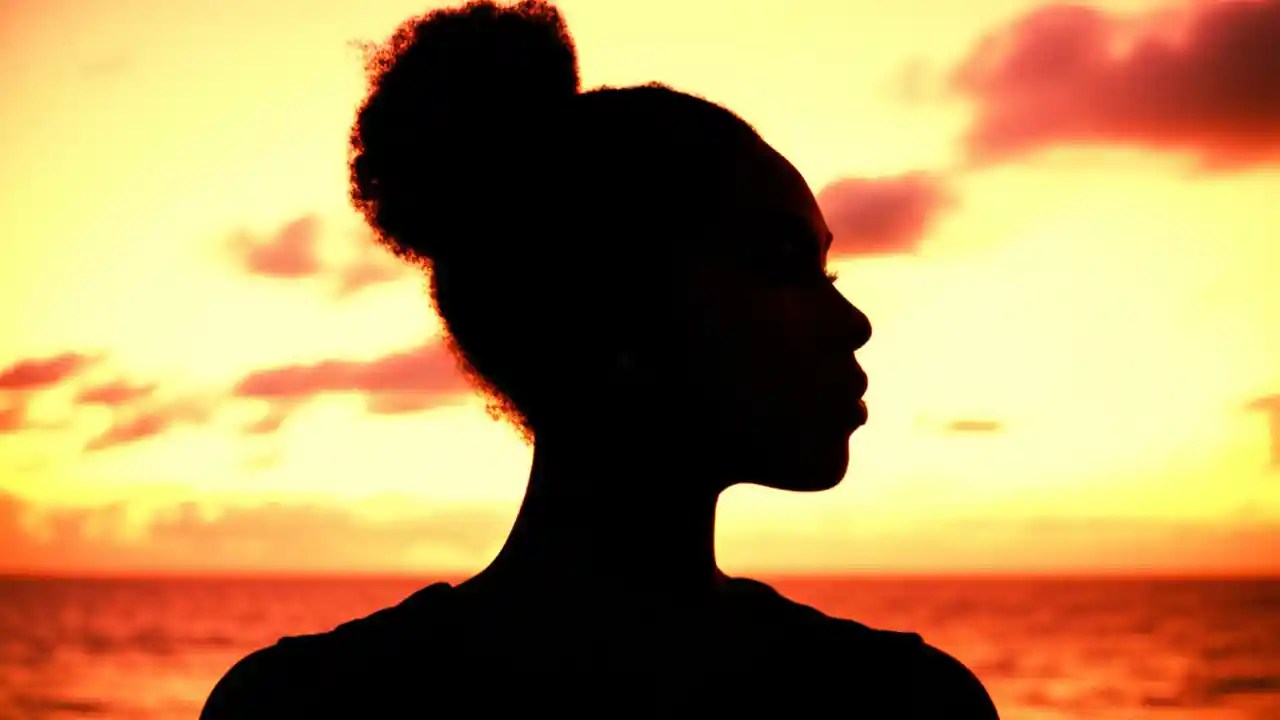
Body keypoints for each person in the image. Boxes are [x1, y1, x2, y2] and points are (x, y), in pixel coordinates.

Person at [201, 1, 999, 716]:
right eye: (780, 266)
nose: (853, 323)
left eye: (826, 272)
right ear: (612, 309)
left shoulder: (302, 706)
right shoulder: (894, 710)